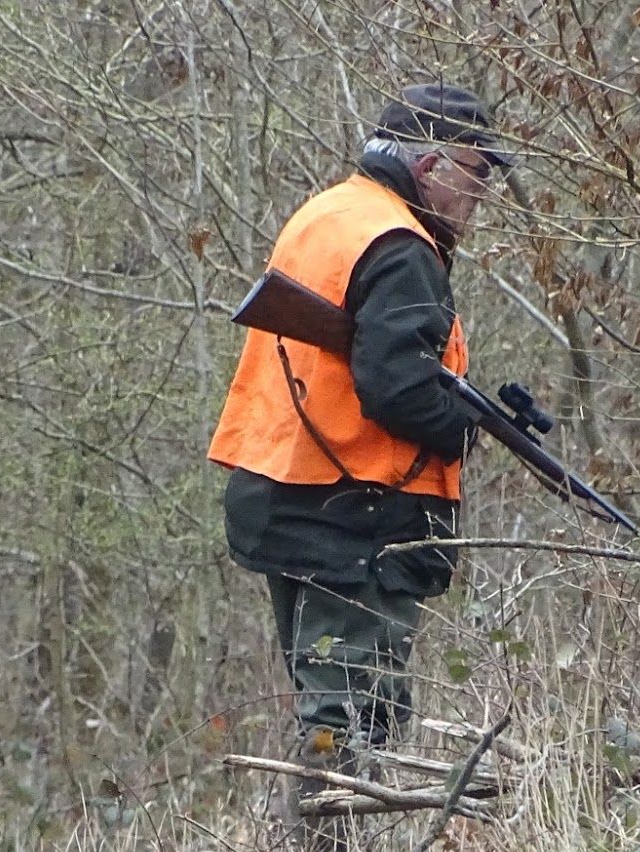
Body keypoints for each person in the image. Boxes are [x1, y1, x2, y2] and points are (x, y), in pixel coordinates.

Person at [208, 84, 510, 774]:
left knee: (325, 702)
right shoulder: (401, 244)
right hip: (356, 511)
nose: (482, 194)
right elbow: (399, 388)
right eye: (477, 171)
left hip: (285, 495)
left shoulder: (330, 213)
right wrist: (464, 425)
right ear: (430, 166)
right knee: (352, 715)